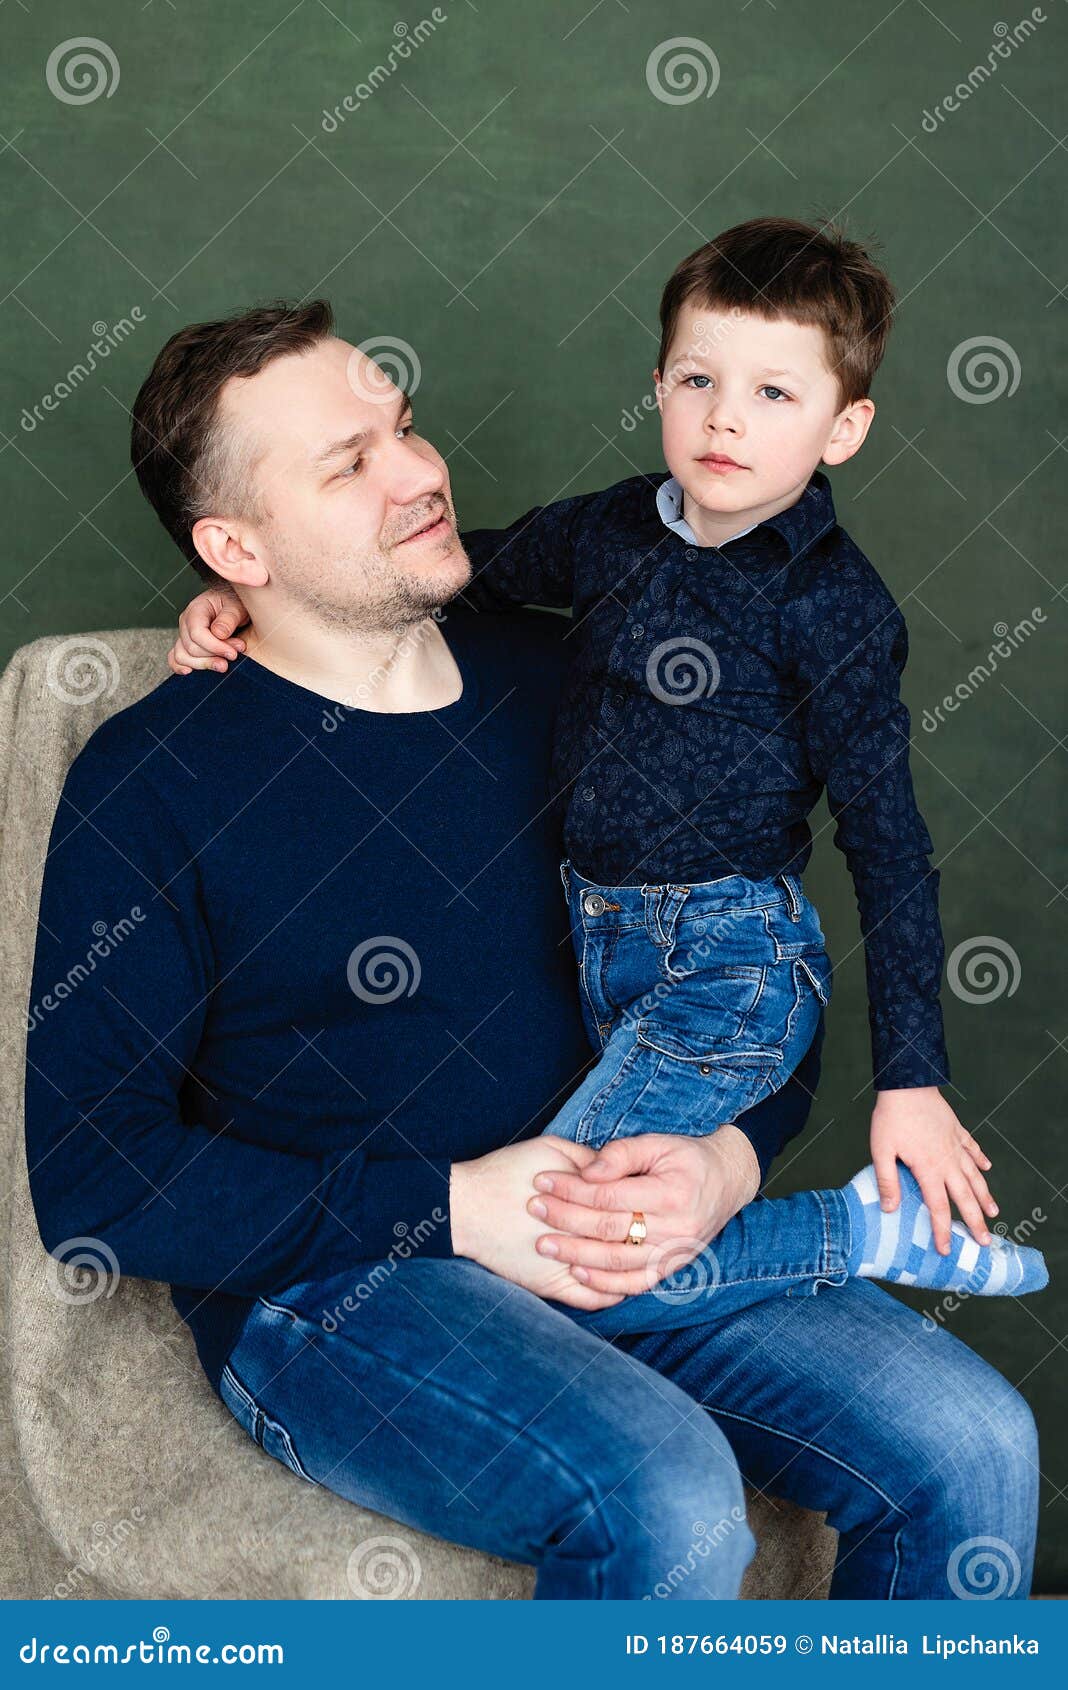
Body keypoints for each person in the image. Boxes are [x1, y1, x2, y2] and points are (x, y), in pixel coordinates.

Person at [26, 297, 1039, 1601]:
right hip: (342, 1285)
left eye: (405, 427)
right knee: (662, 1491)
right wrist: (455, 1207)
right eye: (349, 462)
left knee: (975, 1442)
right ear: (235, 546)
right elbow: (94, 1180)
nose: (420, 470)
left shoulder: (586, 677)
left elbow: (740, 966)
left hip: (616, 1219)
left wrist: (728, 1156)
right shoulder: (154, 775)